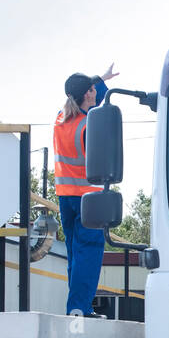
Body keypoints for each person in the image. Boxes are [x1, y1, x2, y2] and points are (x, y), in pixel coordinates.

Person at [54, 64, 117, 317]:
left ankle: (77, 306)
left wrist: (101, 79)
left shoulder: (62, 117)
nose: (96, 93)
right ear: (89, 94)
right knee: (88, 255)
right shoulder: (87, 126)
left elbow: (84, 96)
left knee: (75, 256)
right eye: (94, 90)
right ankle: (79, 308)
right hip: (87, 200)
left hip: (65, 199)